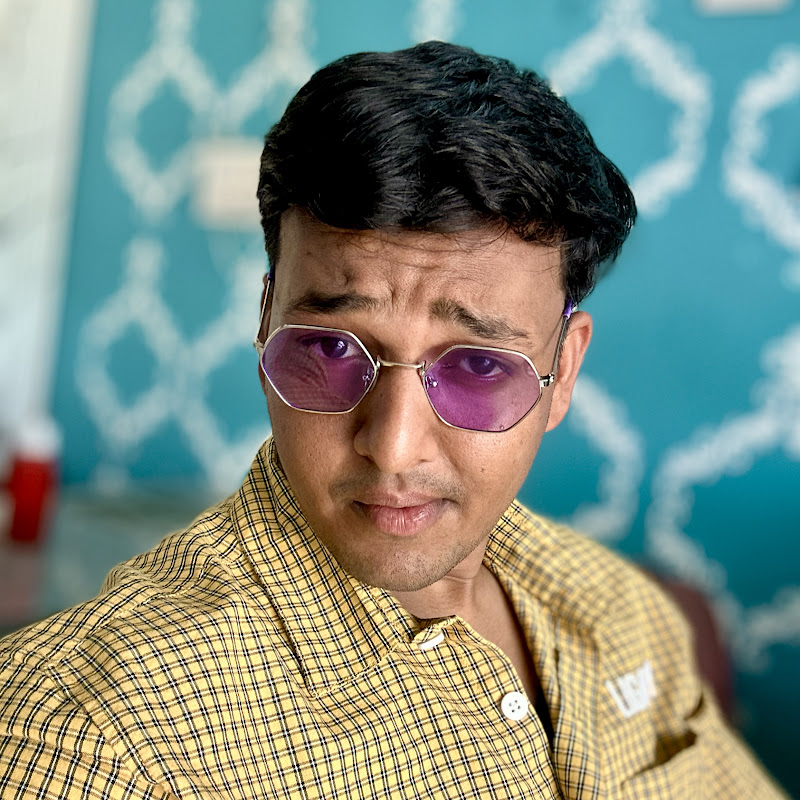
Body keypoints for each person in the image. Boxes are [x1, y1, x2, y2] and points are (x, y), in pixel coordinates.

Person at [0, 41, 787, 799]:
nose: (393, 446)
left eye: (480, 366)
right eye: (330, 348)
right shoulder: (93, 739)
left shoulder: (623, 615)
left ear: (564, 371)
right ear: (265, 322)